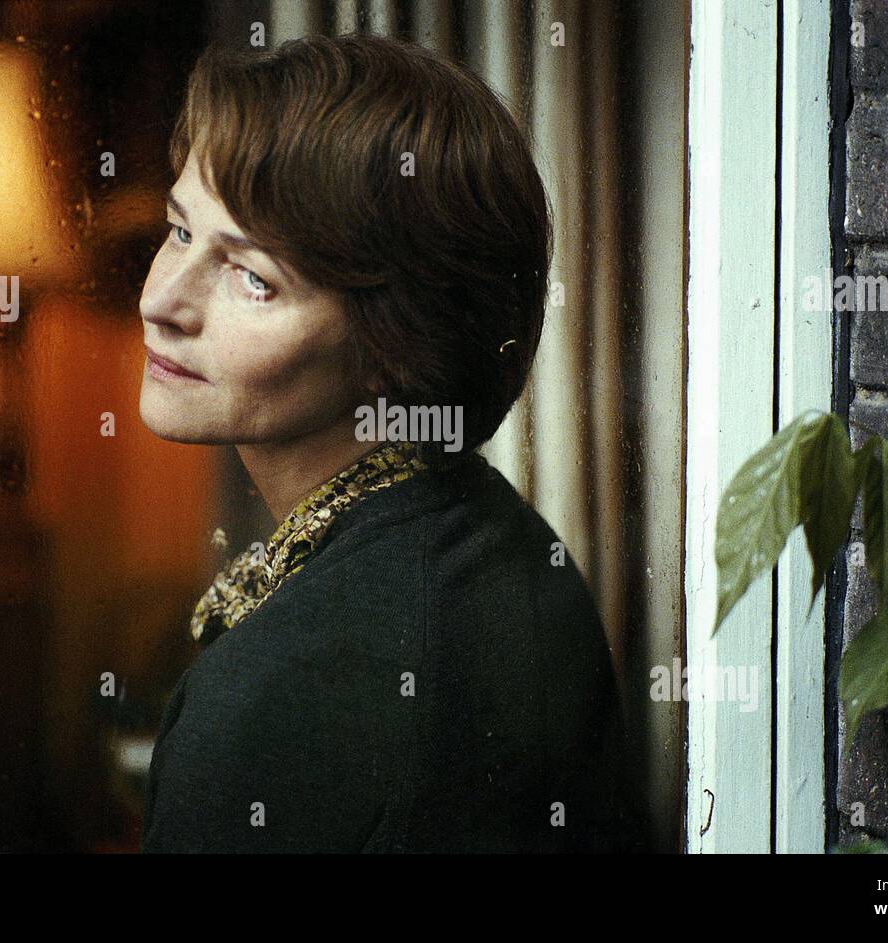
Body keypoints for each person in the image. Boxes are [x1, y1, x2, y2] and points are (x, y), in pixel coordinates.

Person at [138, 32, 642, 853]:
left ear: (392, 347)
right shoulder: (487, 533)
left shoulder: (282, 700)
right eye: (181, 230)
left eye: (253, 277)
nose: (163, 300)